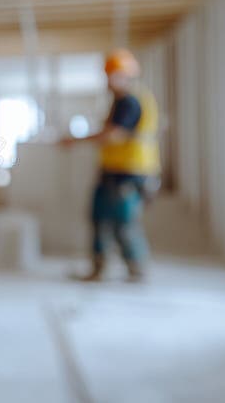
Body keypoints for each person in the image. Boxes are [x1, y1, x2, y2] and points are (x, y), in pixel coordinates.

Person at [61, 48, 161, 282]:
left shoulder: (131, 101)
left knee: (123, 223)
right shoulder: (120, 101)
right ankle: (99, 267)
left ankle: (137, 268)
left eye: (111, 76)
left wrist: (76, 140)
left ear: (124, 76)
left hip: (129, 172)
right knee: (100, 218)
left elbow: (113, 135)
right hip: (114, 171)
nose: (108, 81)